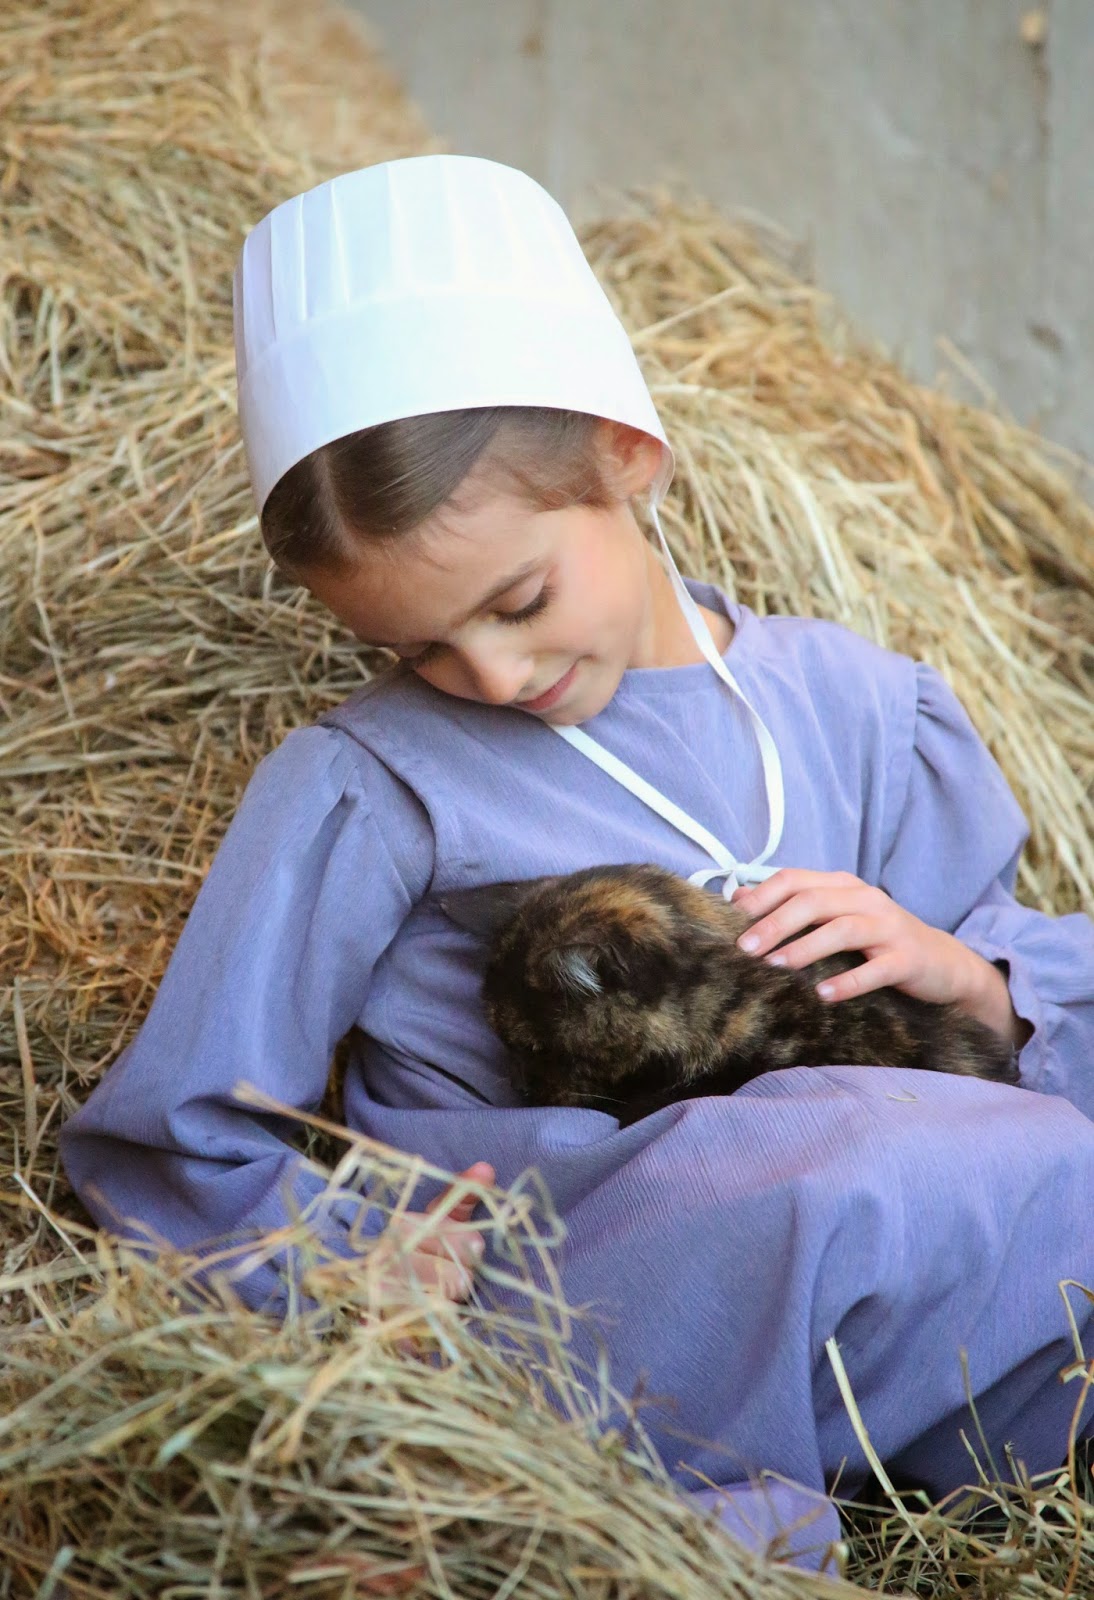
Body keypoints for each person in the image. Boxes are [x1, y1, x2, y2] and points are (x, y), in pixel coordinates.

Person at [60, 154, 1094, 1570]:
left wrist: (967, 977)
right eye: (415, 647)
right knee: (840, 1154)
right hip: (599, 1282)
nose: (486, 672)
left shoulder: (860, 707)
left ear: (629, 458)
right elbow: (183, 1129)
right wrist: (347, 1259)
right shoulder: (373, 789)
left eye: (517, 599)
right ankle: (701, 1524)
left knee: (1002, 1176)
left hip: (901, 1285)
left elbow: (1002, 1025)